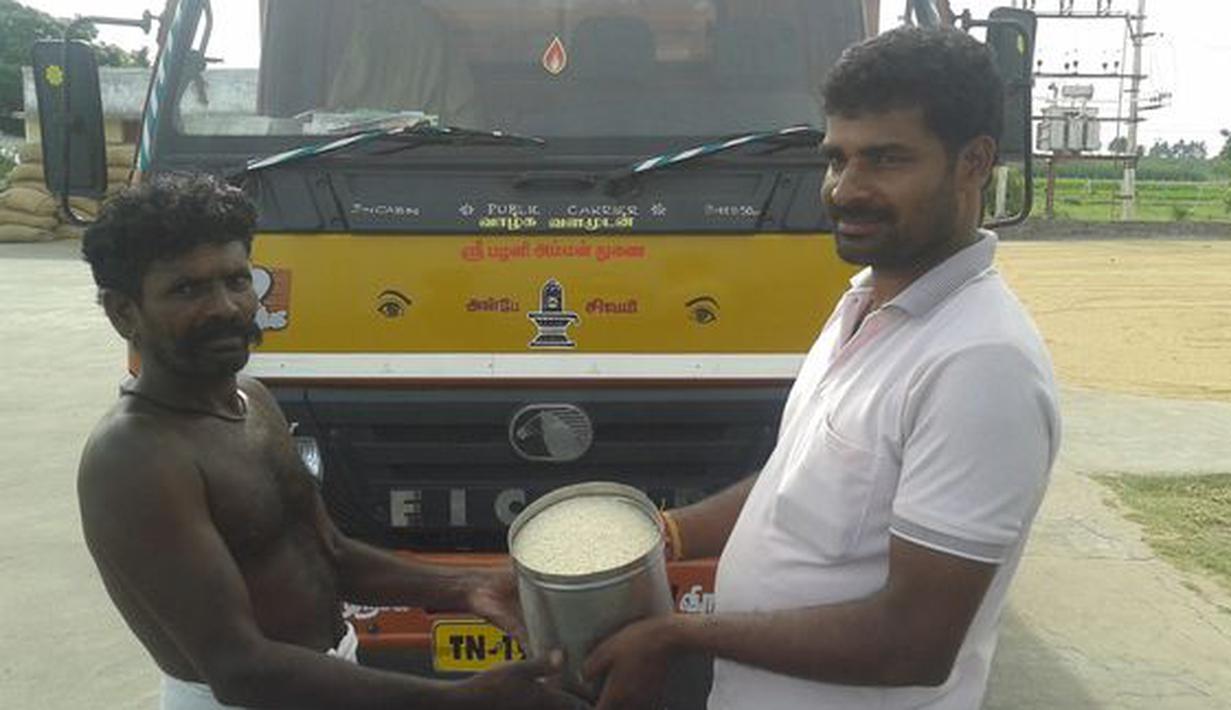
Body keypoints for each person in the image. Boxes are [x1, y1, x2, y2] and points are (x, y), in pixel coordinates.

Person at [583, 27, 1060, 710]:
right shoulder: (864, 302)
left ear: (973, 163)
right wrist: (666, 536)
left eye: (885, 160)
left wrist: (678, 636)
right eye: (835, 159)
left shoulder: (980, 364)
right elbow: (800, 481)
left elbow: (914, 643)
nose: (845, 189)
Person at [77, 175, 577, 710]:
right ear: (122, 311)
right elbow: (239, 669)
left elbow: (328, 555)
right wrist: (459, 700)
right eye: (187, 289)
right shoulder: (134, 458)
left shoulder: (252, 400)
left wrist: (466, 587)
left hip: (333, 676)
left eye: (237, 281)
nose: (225, 307)